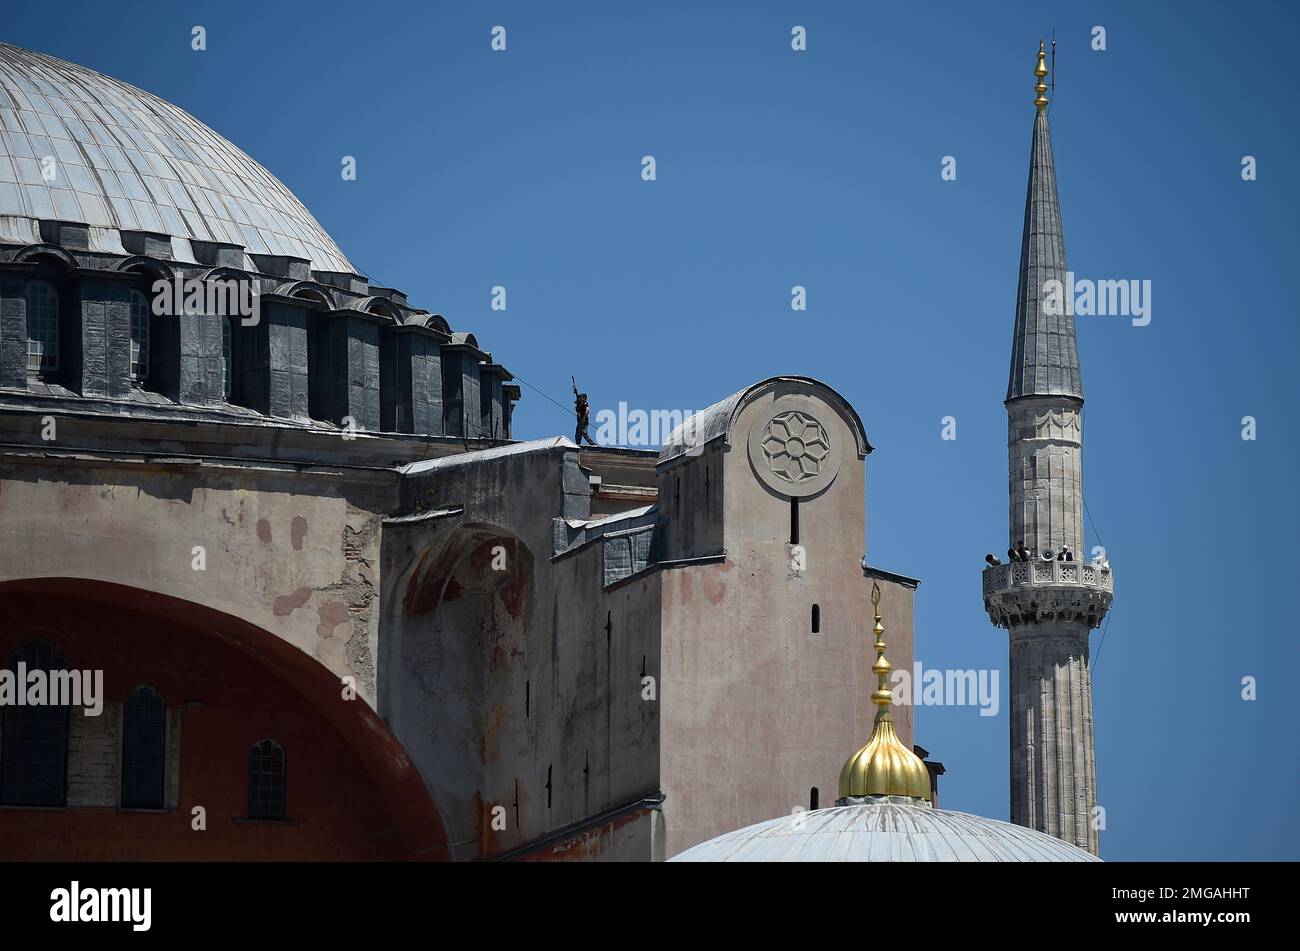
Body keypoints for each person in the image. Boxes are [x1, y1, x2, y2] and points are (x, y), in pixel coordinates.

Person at [572, 378, 596, 446]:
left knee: (583, 432)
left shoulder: (585, 403)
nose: (580, 398)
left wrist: (584, 418)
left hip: (584, 420)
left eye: (581, 397)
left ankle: (592, 444)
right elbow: (576, 395)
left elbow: (587, 409)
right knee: (578, 432)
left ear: (584, 398)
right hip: (579, 420)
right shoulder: (580, 404)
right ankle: (578, 444)